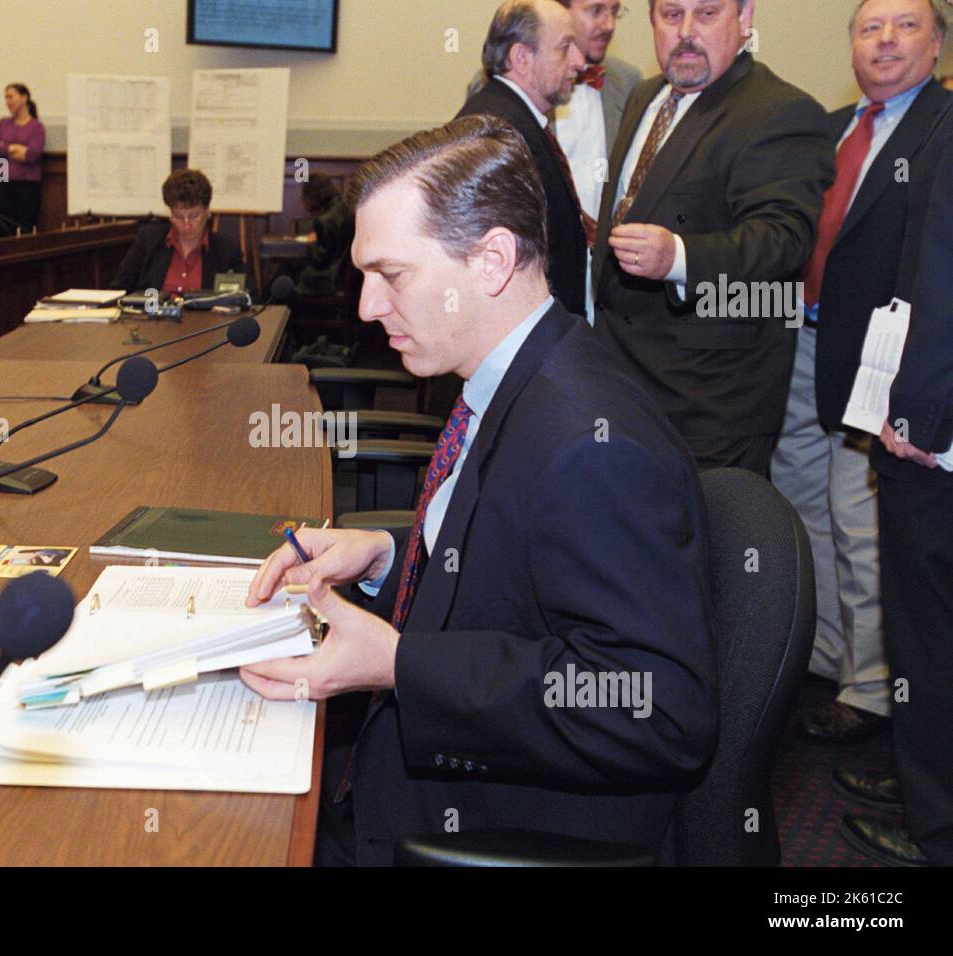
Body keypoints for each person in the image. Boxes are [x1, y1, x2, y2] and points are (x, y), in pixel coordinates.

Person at [240, 114, 717, 867]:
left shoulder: (591, 444)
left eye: (391, 276)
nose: (366, 307)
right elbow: (506, 569)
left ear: (492, 260)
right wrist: (385, 557)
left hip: (495, 823)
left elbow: (654, 708)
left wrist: (399, 665)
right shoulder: (512, 377)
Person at [772, 0, 949, 747]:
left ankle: (876, 689)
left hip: (886, 367)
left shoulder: (942, 130)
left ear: (938, 45)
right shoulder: (834, 125)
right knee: (804, 510)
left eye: (906, 25)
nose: (884, 40)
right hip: (804, 345)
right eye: (869, 27)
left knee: (863, 525)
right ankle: (828, 658)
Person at [591, 0, 836, 475]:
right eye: (671, 15)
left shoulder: (781, 111)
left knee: (710, 546)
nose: (685, 31)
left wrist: (678, 256)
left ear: (744, 21)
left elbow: (784, 238)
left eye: (706, 15)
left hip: (711, 406)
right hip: (622, 381)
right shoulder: (645, 96)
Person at [843, 105, 953, 868]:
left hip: (937, 440)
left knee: (930, 631)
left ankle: (936, 823)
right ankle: (926, 786)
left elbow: (942, 278)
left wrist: (913, 414)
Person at [457, 0, 590, 319]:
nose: (580, 62)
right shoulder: (499, 130)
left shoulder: (510, 117)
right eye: (564, 47)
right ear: (521, 58)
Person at [552, 0, 643, 237]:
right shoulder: (516, 83)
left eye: (614, 11)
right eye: (596, 11)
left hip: (608, 264)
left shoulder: (629, 82)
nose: (609, 25)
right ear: (559, 12)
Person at [108, 168, 247, 293]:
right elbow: (119, 289)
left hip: (208, 322)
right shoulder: (148, 241)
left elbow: (248, 296)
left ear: (207, 212)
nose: (186, 224)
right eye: (179, 216)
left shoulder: (226, 250)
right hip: (152, 320)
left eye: (194, 216)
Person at [0, 83, 45, 235]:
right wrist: (12, 148)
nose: (8, 101)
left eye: (11, 96)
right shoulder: (2, 123)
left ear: (24, 98)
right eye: (6, 97)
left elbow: (32, 154)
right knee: (4, 226)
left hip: (27, 181)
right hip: (2, 176)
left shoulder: (36, 127)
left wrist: (4, 147)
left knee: (24, 226)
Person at [294, 174, 355, 295]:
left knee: (288, 269)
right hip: (348, 280)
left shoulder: (324, 221)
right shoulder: (345, 207)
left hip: (330, 281)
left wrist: (311, 243)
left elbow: (320, 260)